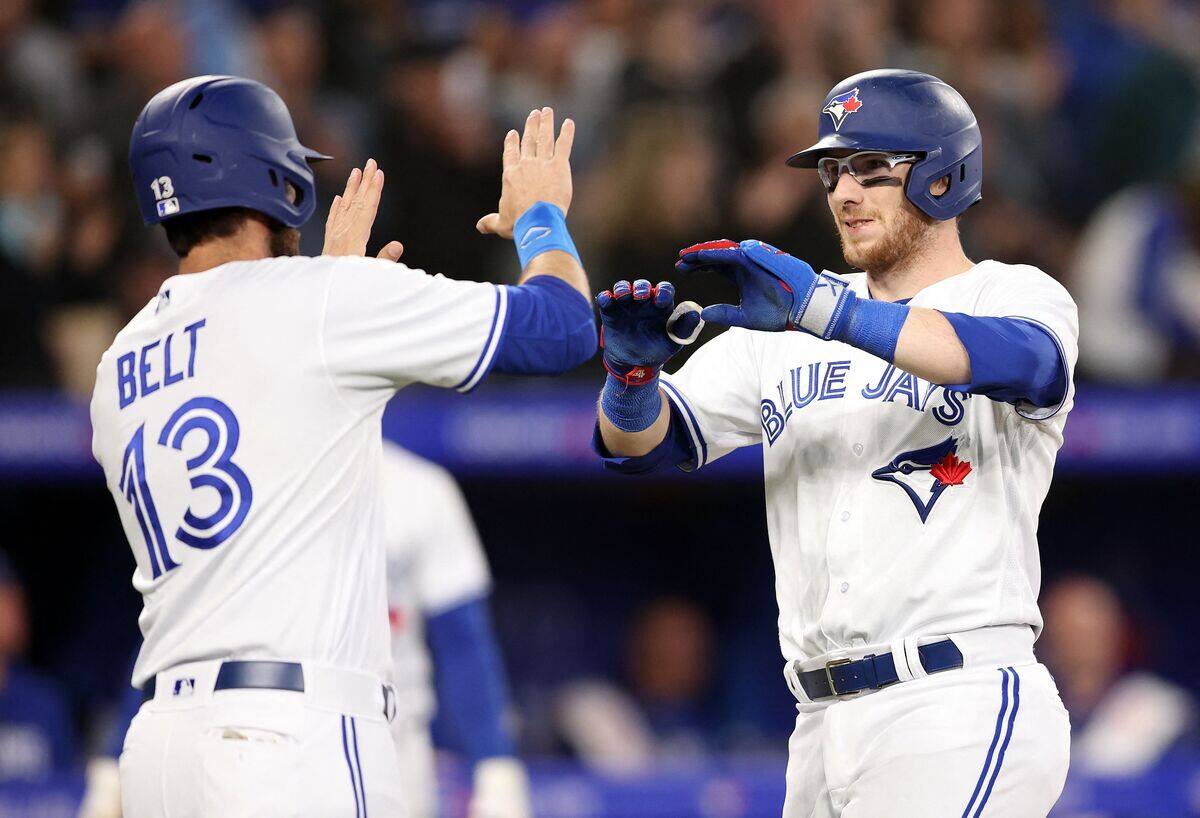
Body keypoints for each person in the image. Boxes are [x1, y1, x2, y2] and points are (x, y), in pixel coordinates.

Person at [89, 74, 594, 817]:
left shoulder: (117, 364)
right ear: (274, 181)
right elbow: (564, 327)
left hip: (161, 752)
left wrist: (341, 327)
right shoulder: (321, 302)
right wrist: (541, 217)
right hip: (289, 739)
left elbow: (280, 414)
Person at [592, 69, 1078, 816]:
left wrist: (822, 309)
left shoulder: (1010, 293)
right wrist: (630, 380)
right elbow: (644, 446)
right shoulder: (792, 321)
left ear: (943, 175)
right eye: (832, 172)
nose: (844, 193)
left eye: (870, 168)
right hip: (820, 724)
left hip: (956, 702)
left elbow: (1026, 362)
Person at [378, 443, 530, 818]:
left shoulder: (416, 488)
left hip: (393, 740)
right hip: (270, 728)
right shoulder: (259, 473)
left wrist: (495, 762)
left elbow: (463, 641)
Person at [1040, 575, 1197, 776]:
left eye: (1090, 635)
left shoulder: (1160, 708)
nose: (1078, 649)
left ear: (1117, 635)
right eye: (1065, 636)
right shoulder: (1029, 712)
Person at [0, 552, 75, 781]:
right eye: (4, 597)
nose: (12, 609)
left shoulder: (44, 703)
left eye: (14, 598)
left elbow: (70, 788)